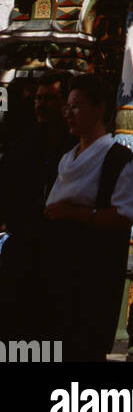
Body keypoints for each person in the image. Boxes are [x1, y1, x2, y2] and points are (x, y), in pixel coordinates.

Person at [39, 74, 133, 361]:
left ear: (99, 108)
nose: (69, 114)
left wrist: (74, 213)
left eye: (77, 106)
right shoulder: (66, 157)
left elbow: (124, 214)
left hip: (92, 273)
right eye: (67, 107)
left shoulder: (117, 159)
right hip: (57, 267)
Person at [0, 71, 76, 337]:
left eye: (49, 98)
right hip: (23, 250)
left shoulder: (76, 148)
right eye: (38, 99)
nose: (40, 105)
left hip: (60, 257)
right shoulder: (23, 145)